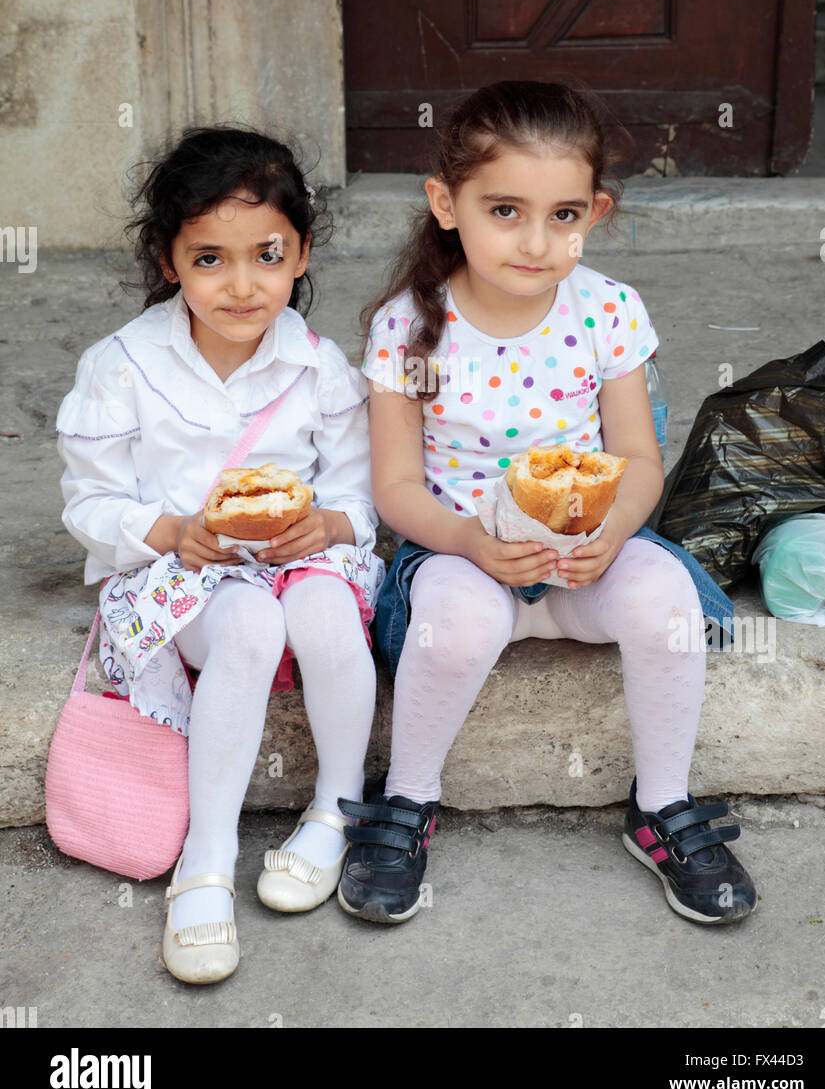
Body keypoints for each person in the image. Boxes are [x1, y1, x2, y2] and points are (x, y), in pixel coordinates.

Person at [339, 81, 756, 928]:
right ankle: (408, 802)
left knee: (667, 600)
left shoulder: (606, 311)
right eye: (504, 211)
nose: (536, 242)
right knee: (452, 624)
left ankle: (663, 807)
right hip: (462, 556)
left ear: (595, 212)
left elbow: (638, 457)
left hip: (583, 557)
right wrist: (469, 542)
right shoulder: (410, 328)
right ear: (445, 203)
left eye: (564, 215)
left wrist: (616, 533)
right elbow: (395, 490)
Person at [56, 126, 385, 983]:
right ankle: (206, 859)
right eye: (209, 260)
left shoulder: (319, 370)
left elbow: (359, 495)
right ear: (168, 261)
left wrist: (329, 529)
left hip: (299, 559)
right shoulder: (122, 367)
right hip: (181, 572)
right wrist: (169, 532)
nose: (242, 285)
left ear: (301, 251)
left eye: (267, 255)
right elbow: (90, 503)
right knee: (244, 620)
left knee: (312, 604)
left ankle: (336, 808)